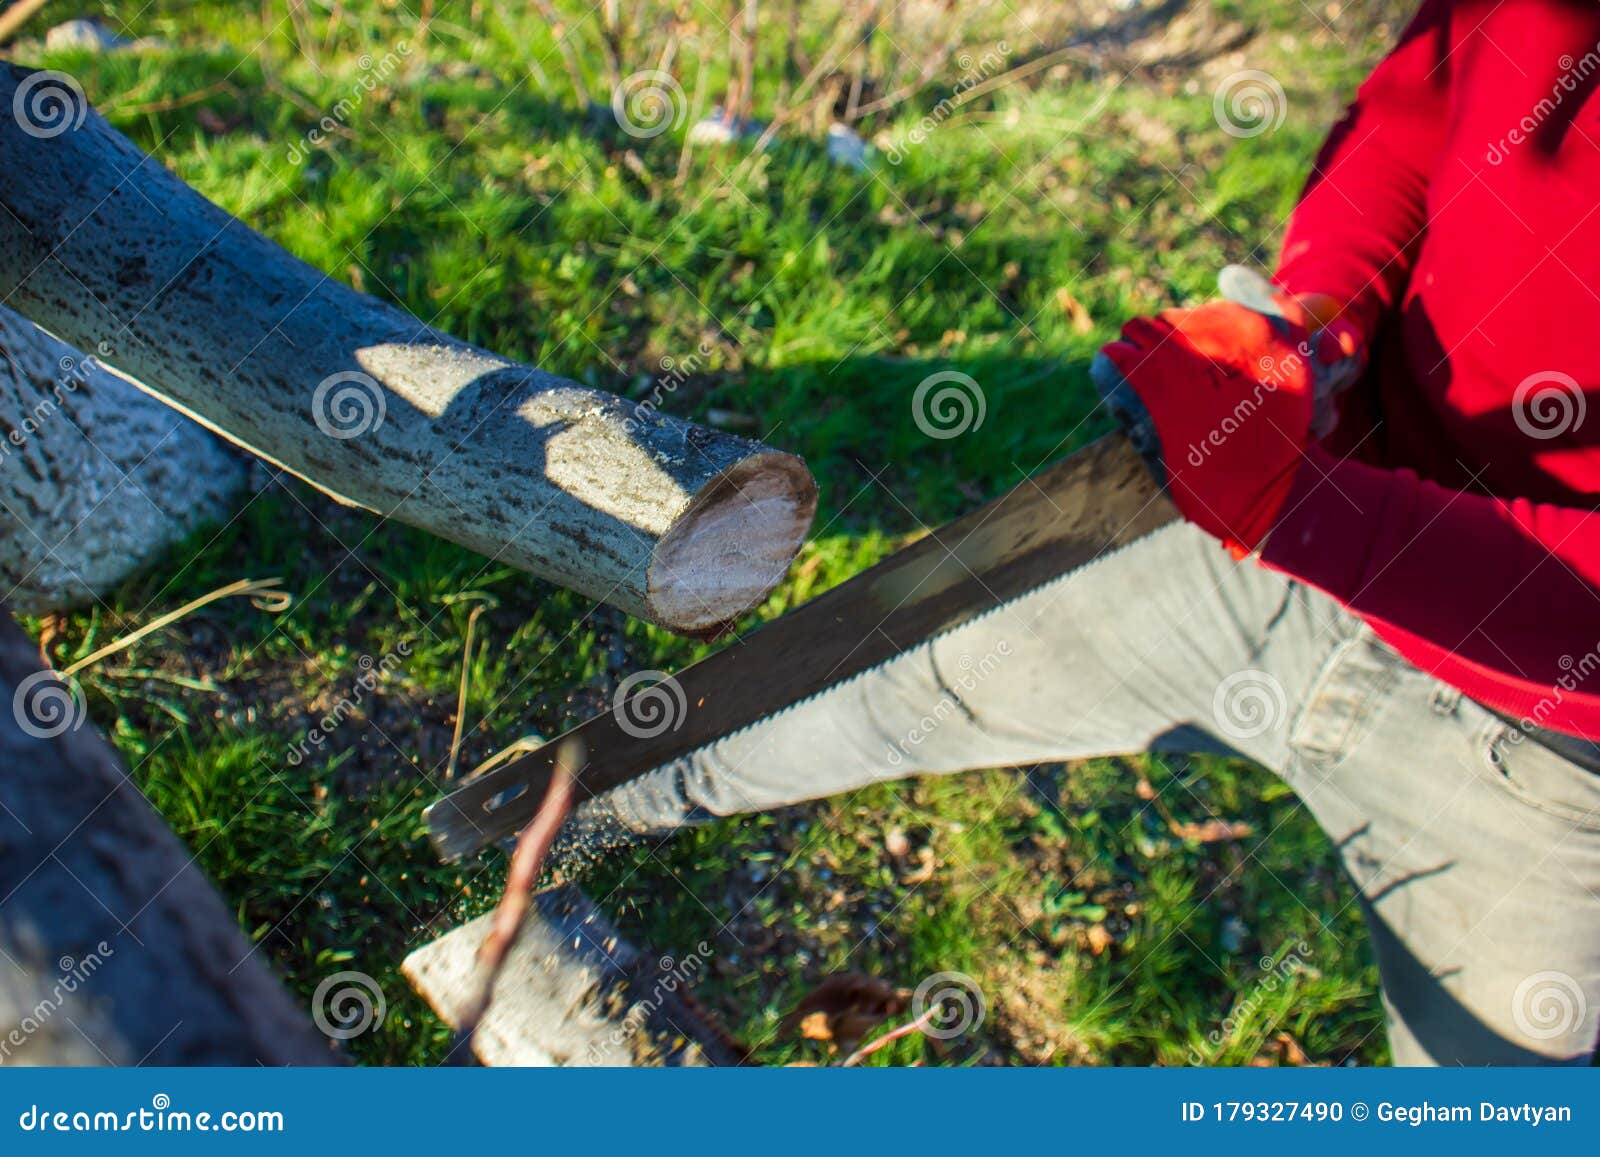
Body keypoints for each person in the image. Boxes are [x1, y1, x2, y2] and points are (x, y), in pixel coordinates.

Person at [590, 0, 1600, 1065]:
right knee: (836, 697)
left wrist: (1299, 511)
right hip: (1285, 528)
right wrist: (1316, 318)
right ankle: (542, 822)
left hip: (1545, 751)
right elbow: (1412, 118)